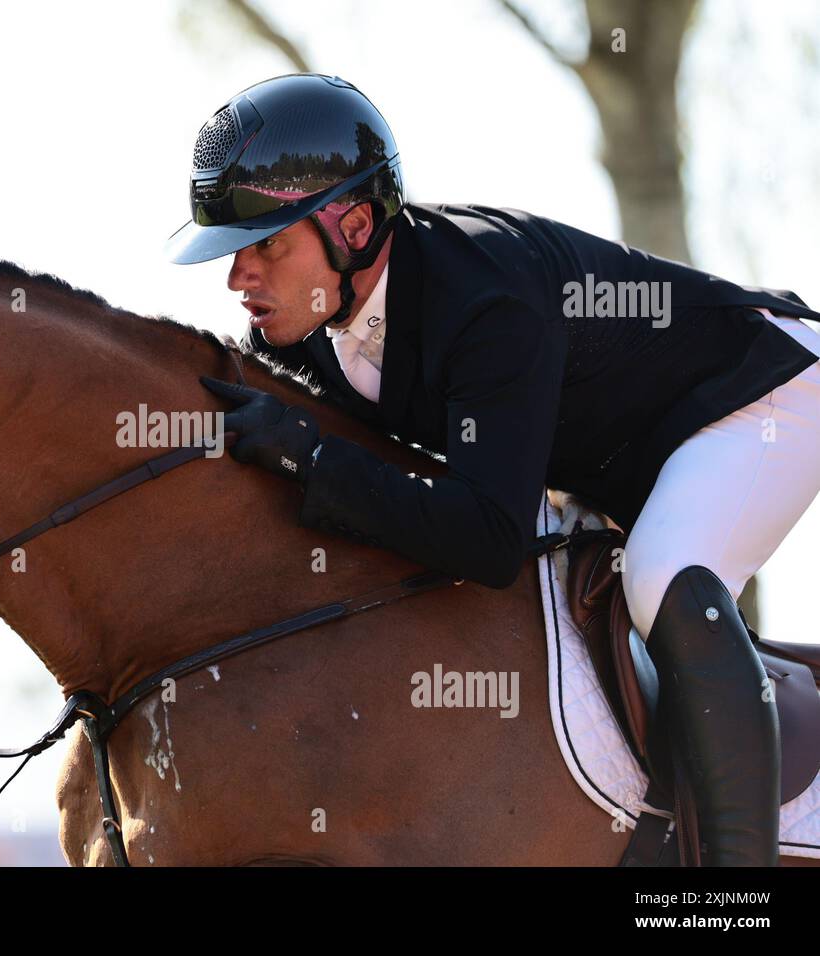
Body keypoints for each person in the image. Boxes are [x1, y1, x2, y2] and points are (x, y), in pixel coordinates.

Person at [166, 72, 820, 866]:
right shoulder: (306, 324)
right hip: (625, 446)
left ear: (356, 225)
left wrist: (309, 458)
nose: (239, 278)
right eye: (236, 253)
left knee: (661, 570)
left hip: (761, 396)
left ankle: (735, 899)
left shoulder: (485, 302)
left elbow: (489, 538)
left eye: (266, 244)